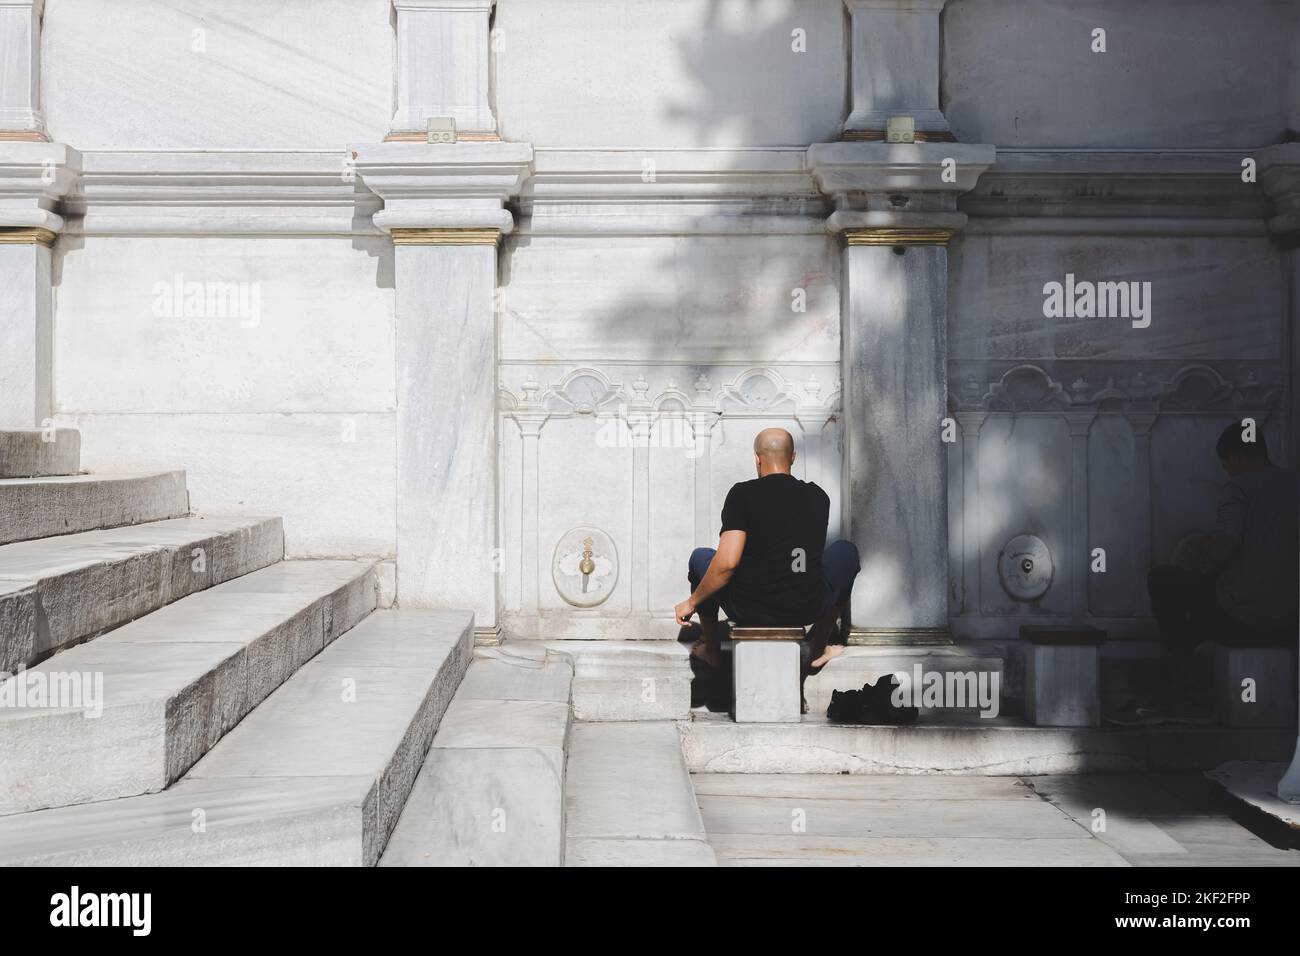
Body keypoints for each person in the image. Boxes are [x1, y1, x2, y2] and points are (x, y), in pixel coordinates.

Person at [1118, 422, 1298, 724]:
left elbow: (1222, 547)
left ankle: (1183, 689)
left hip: (1242, 619)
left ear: (1238, 457)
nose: (1226, 470)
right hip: (1289, 623)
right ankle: (1183, 686)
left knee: (1163, 581)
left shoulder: (1239, 488)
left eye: (1226, 462)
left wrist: (1203, 545)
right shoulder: (1294, 485)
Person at [674, 427, 861, 671]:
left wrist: (691, 601)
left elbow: (727, 563)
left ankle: (712, 650)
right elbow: (804, 555)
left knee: (701, 557)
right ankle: (817, 649)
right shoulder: (818, 497)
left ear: (757, 459)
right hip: (805, 606)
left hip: (748, 609)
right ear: (793, 457)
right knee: (846, 552)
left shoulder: (742, 494)